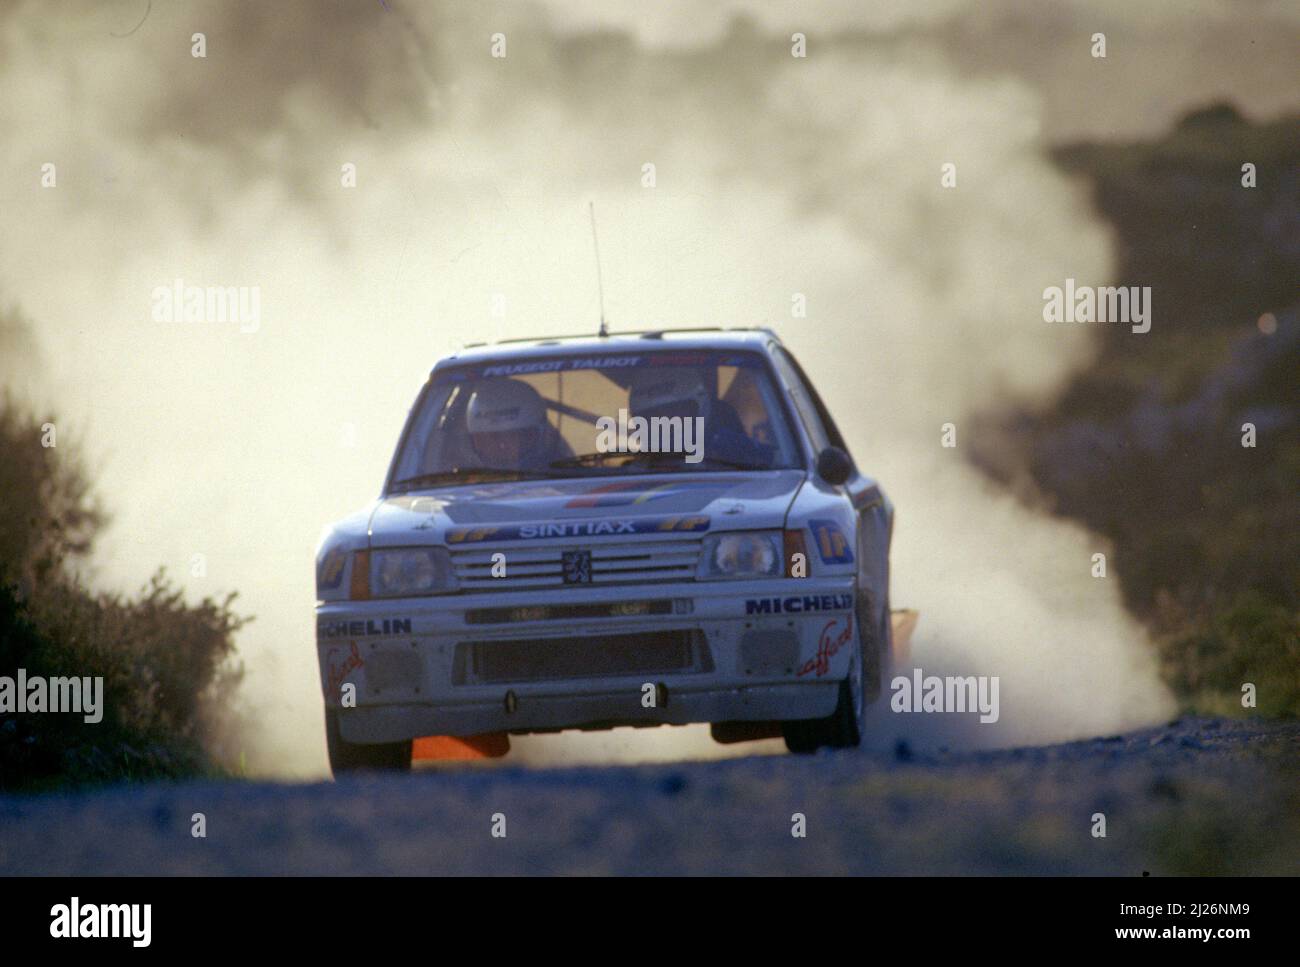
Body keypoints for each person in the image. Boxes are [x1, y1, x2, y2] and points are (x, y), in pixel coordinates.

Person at [628, 369, 770, 467]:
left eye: (675, 413)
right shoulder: (629, 473)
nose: (665, 422)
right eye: (652, 416)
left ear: (700, 406)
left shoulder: (735, 454)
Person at [465, 378, 569, 469]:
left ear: (537, 436)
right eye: (492, 437)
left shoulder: (567, 475)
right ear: (475, 441)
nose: (502, 446)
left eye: (512, 435)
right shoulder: (455, 475)